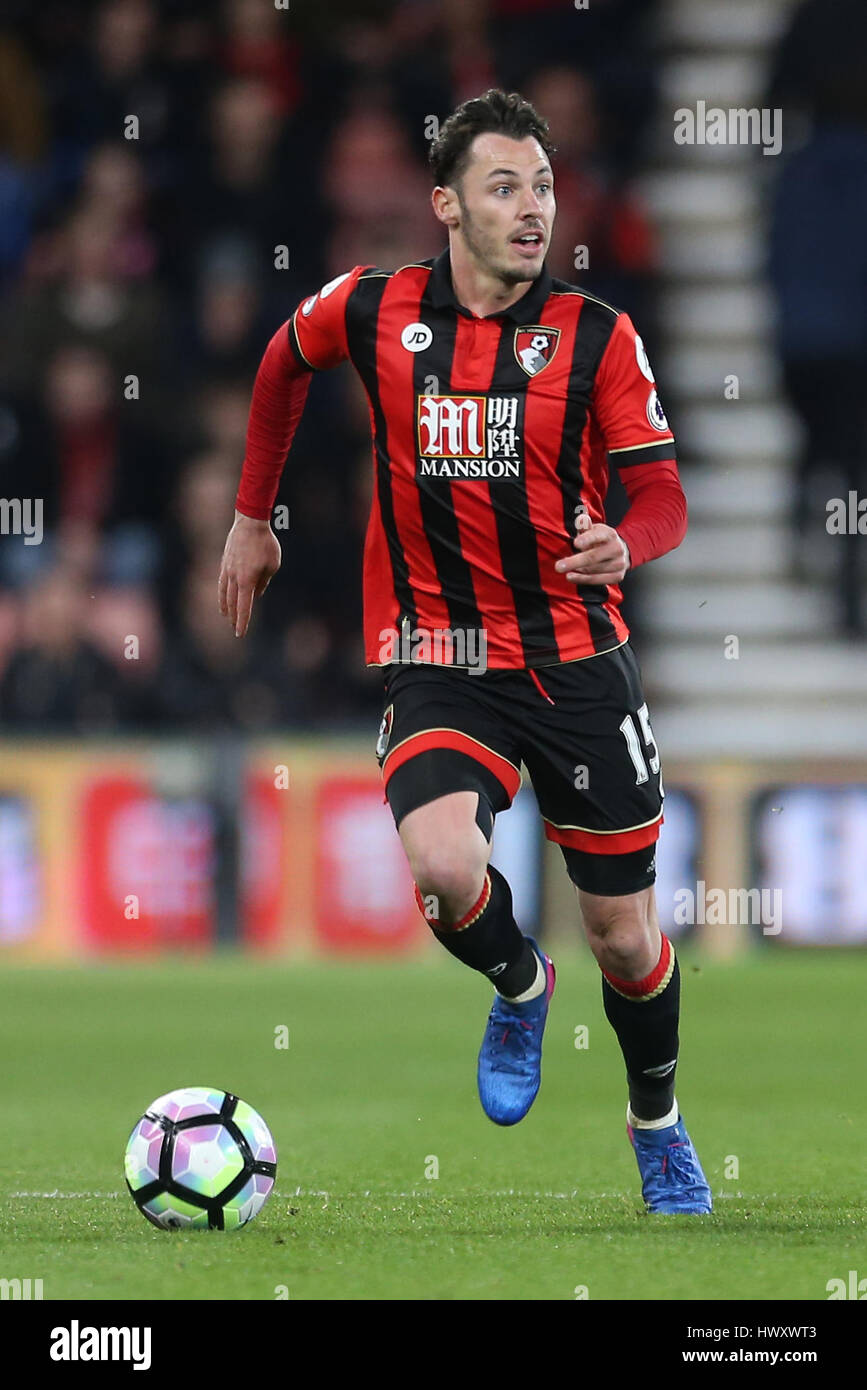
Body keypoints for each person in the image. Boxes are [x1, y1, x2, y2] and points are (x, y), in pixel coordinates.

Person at [218, 90, 710, 1214]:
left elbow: (665, 492)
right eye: (503, 186)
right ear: (444, 204)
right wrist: (253, 516)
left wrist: (622, 542)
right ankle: (519, 979)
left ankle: (658, 1125)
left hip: (578, 659)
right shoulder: (375, 310)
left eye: (541, 185)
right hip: (438, 653)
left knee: (627, 938)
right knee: (445, 866)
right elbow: (280, 361)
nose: (532, 209)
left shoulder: (598, 336)